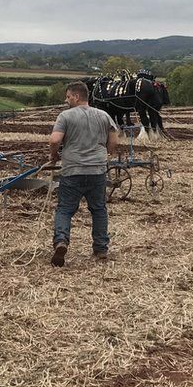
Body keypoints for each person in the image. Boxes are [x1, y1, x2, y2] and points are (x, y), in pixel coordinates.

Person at [49, 81, 119, 267]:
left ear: (77, 96)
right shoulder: (103, 115)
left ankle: (61, 241)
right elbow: (114, 139)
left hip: (73, 170)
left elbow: (55, 139)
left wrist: (54, 154)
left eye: (68, 96)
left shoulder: (65, 116)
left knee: (64, 209)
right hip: (97, 170)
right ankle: (101, 248)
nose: (66, 100)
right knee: (98, 209)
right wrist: (108, 152)